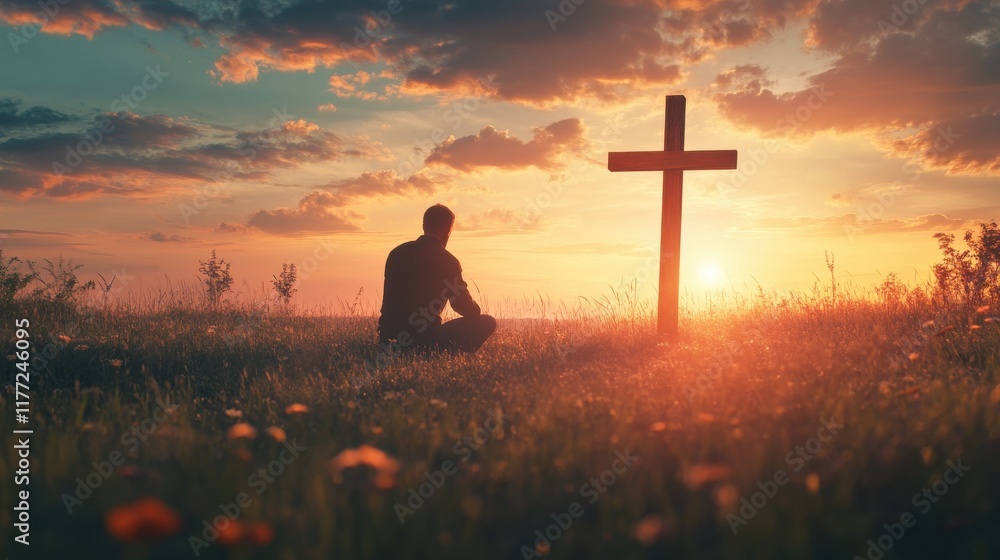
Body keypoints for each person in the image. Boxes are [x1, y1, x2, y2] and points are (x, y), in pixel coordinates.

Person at [377, 204, 496, 354]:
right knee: (488, 322)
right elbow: (462, 305)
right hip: (425, 339)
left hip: (388, 338)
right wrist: (475, 310)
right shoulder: (448, 261)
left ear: (424, 225)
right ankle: (442, 355)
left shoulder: (396, 253)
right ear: (448, 230)